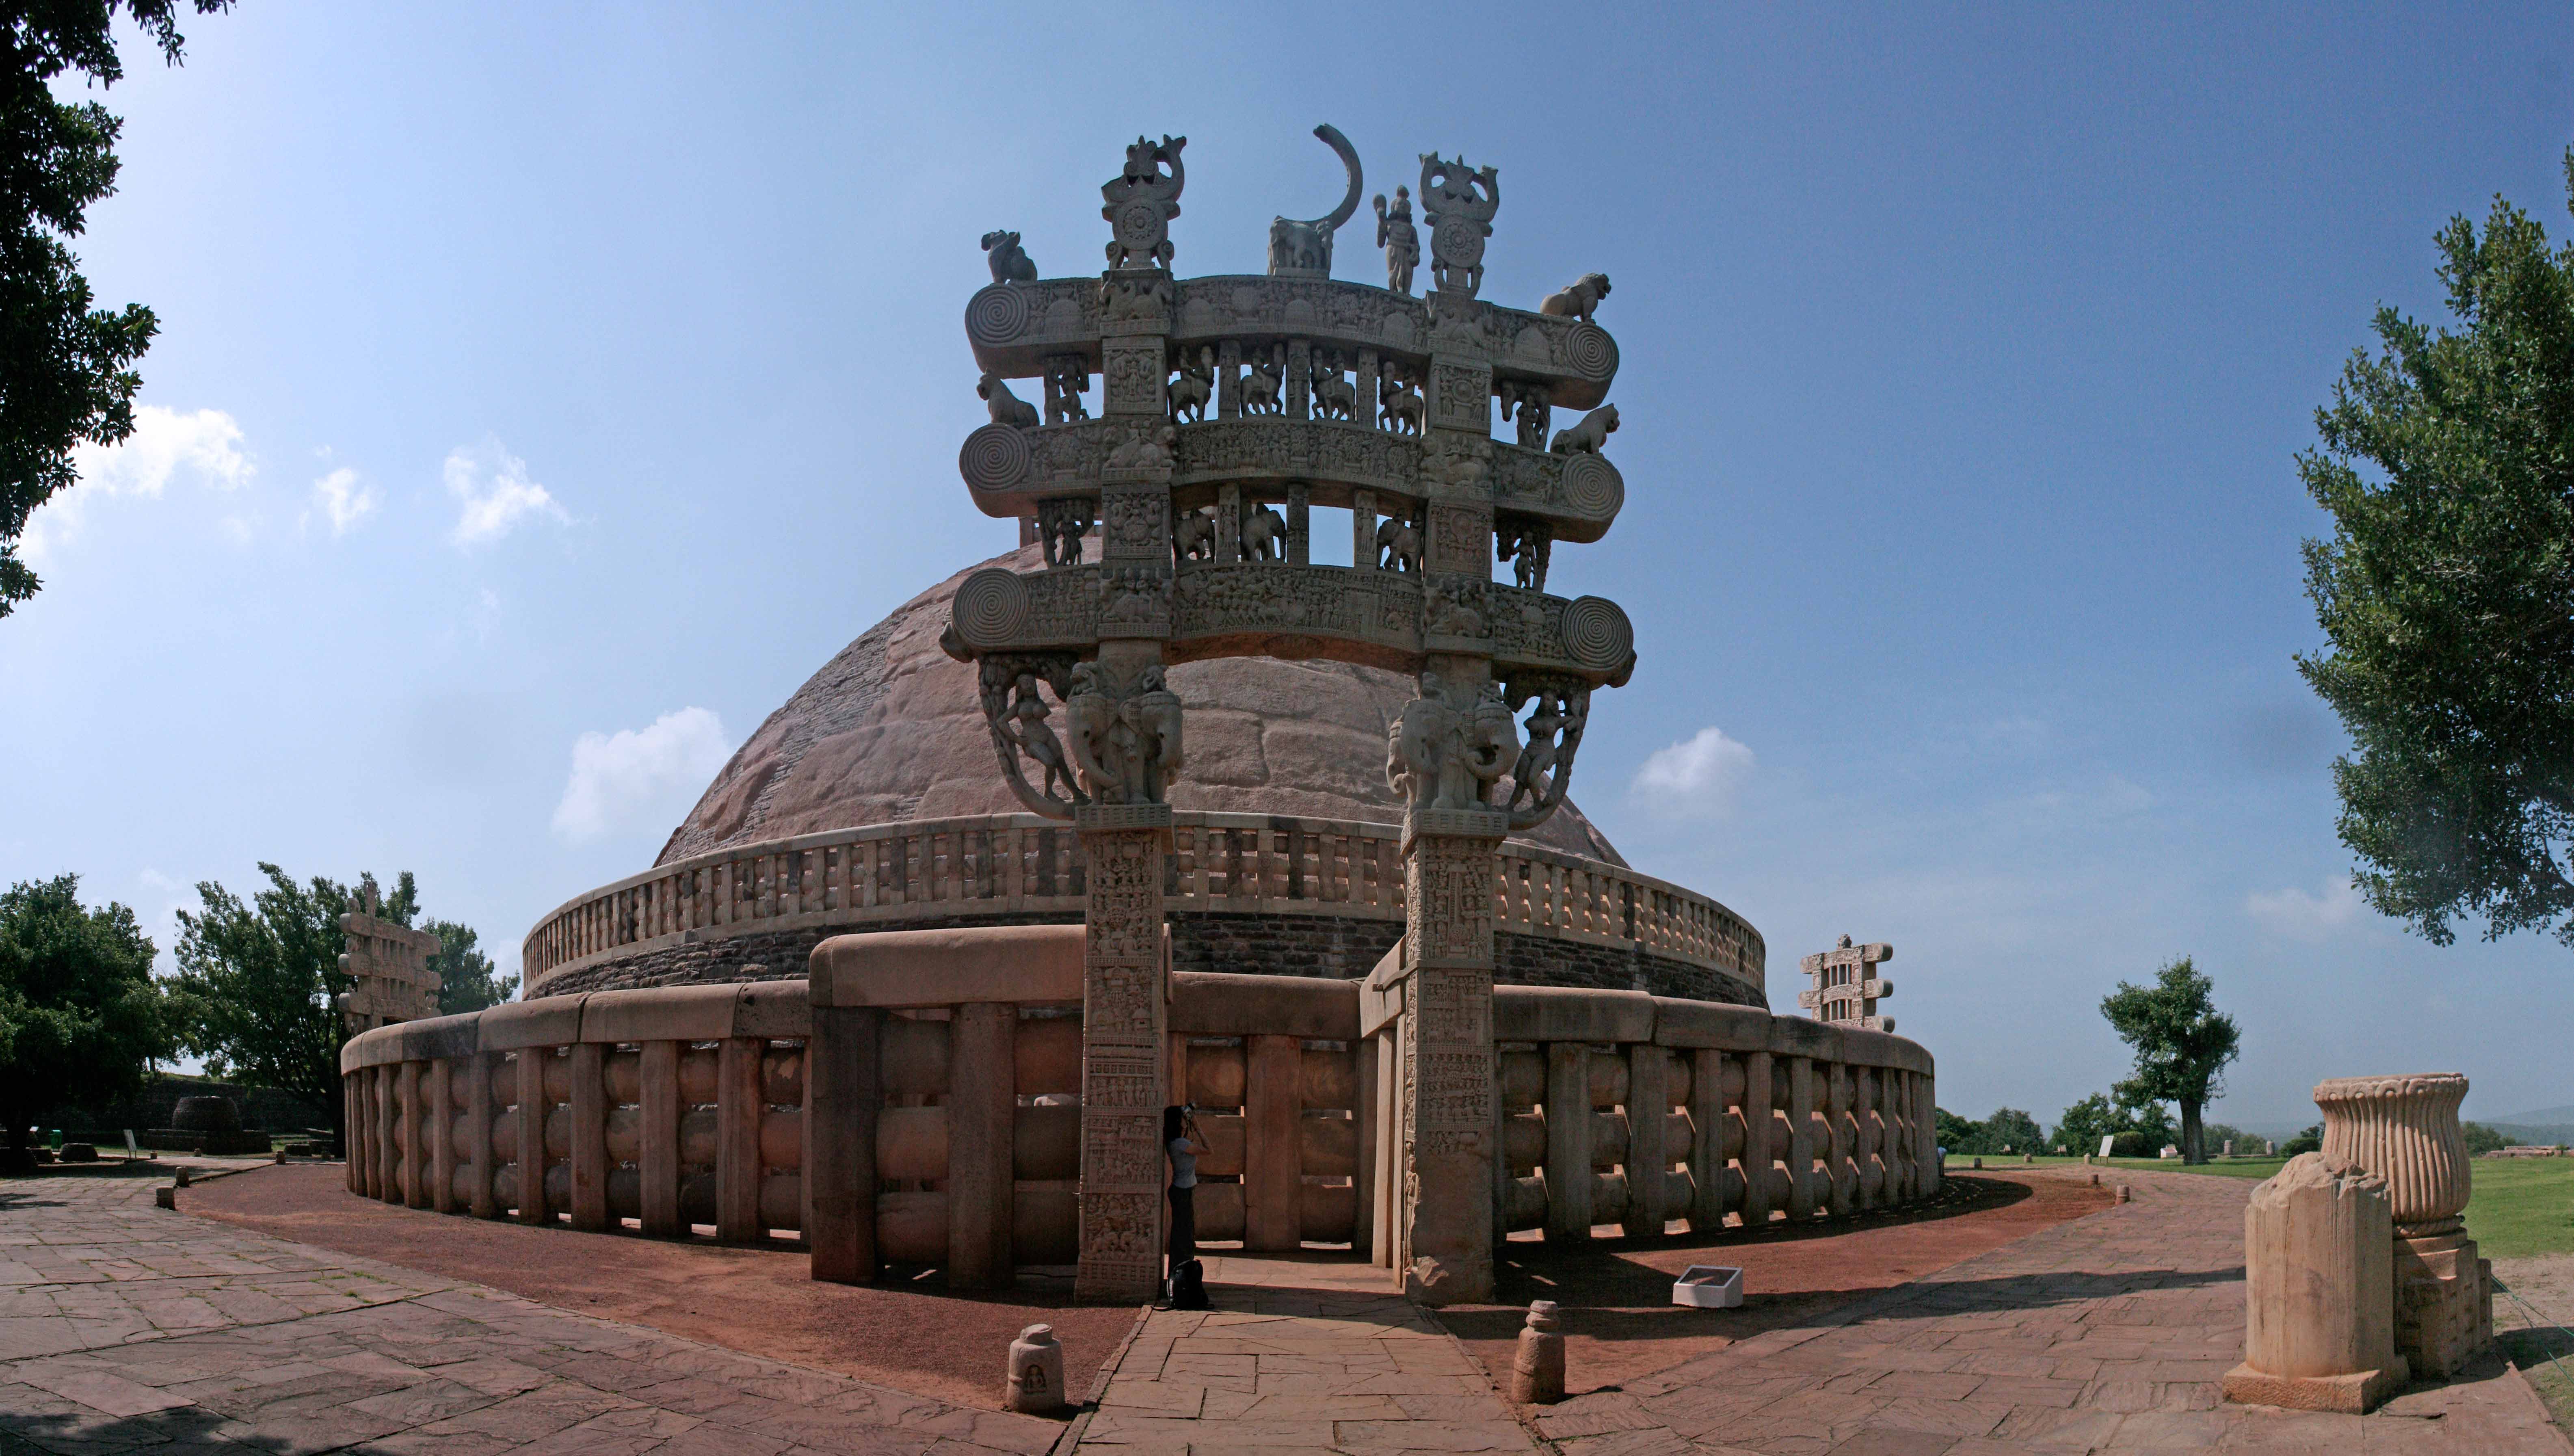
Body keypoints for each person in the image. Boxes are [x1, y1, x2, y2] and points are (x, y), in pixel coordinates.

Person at [1163, 1104, 1205, 1281]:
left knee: (1183, 1235)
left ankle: (1179, 1274)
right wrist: (1197, 1127)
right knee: (1184, 1237)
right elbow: (1209, 1150)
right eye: (1183, 1118)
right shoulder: (1180, 1144)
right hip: (1183, 1191)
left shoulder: (1176, 1142)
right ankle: (1180, 1276)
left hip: (1182, 1190)